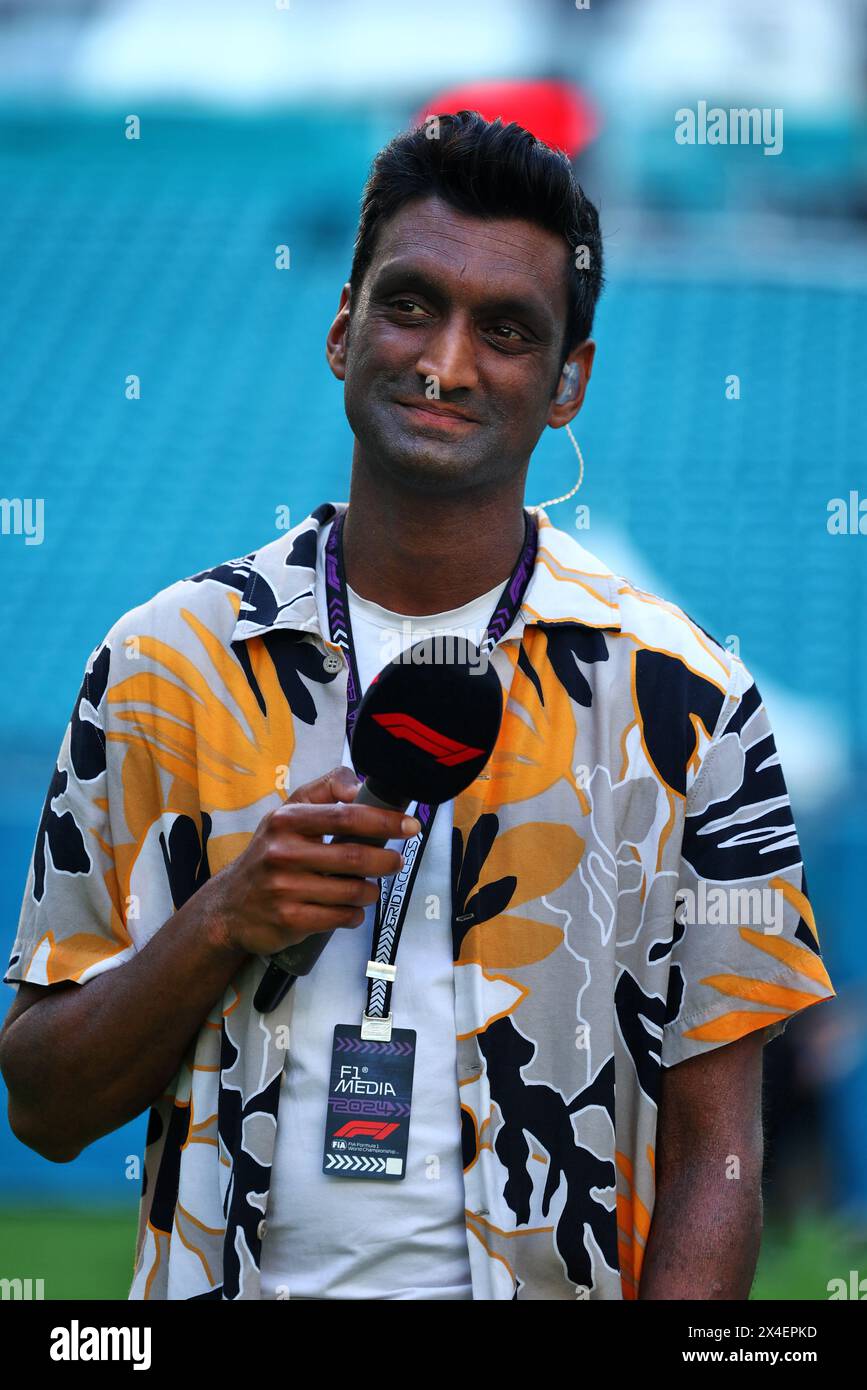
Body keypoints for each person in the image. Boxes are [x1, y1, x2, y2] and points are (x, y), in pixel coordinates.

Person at [0, 111, 835, 1300]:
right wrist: (226, 916)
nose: (445, 361)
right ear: (343, 329)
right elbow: (42, 1104)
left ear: (569, 383)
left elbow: (723, 1153)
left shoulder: (691, 701)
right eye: (409, 305)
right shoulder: (158, 668)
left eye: (505, 330)